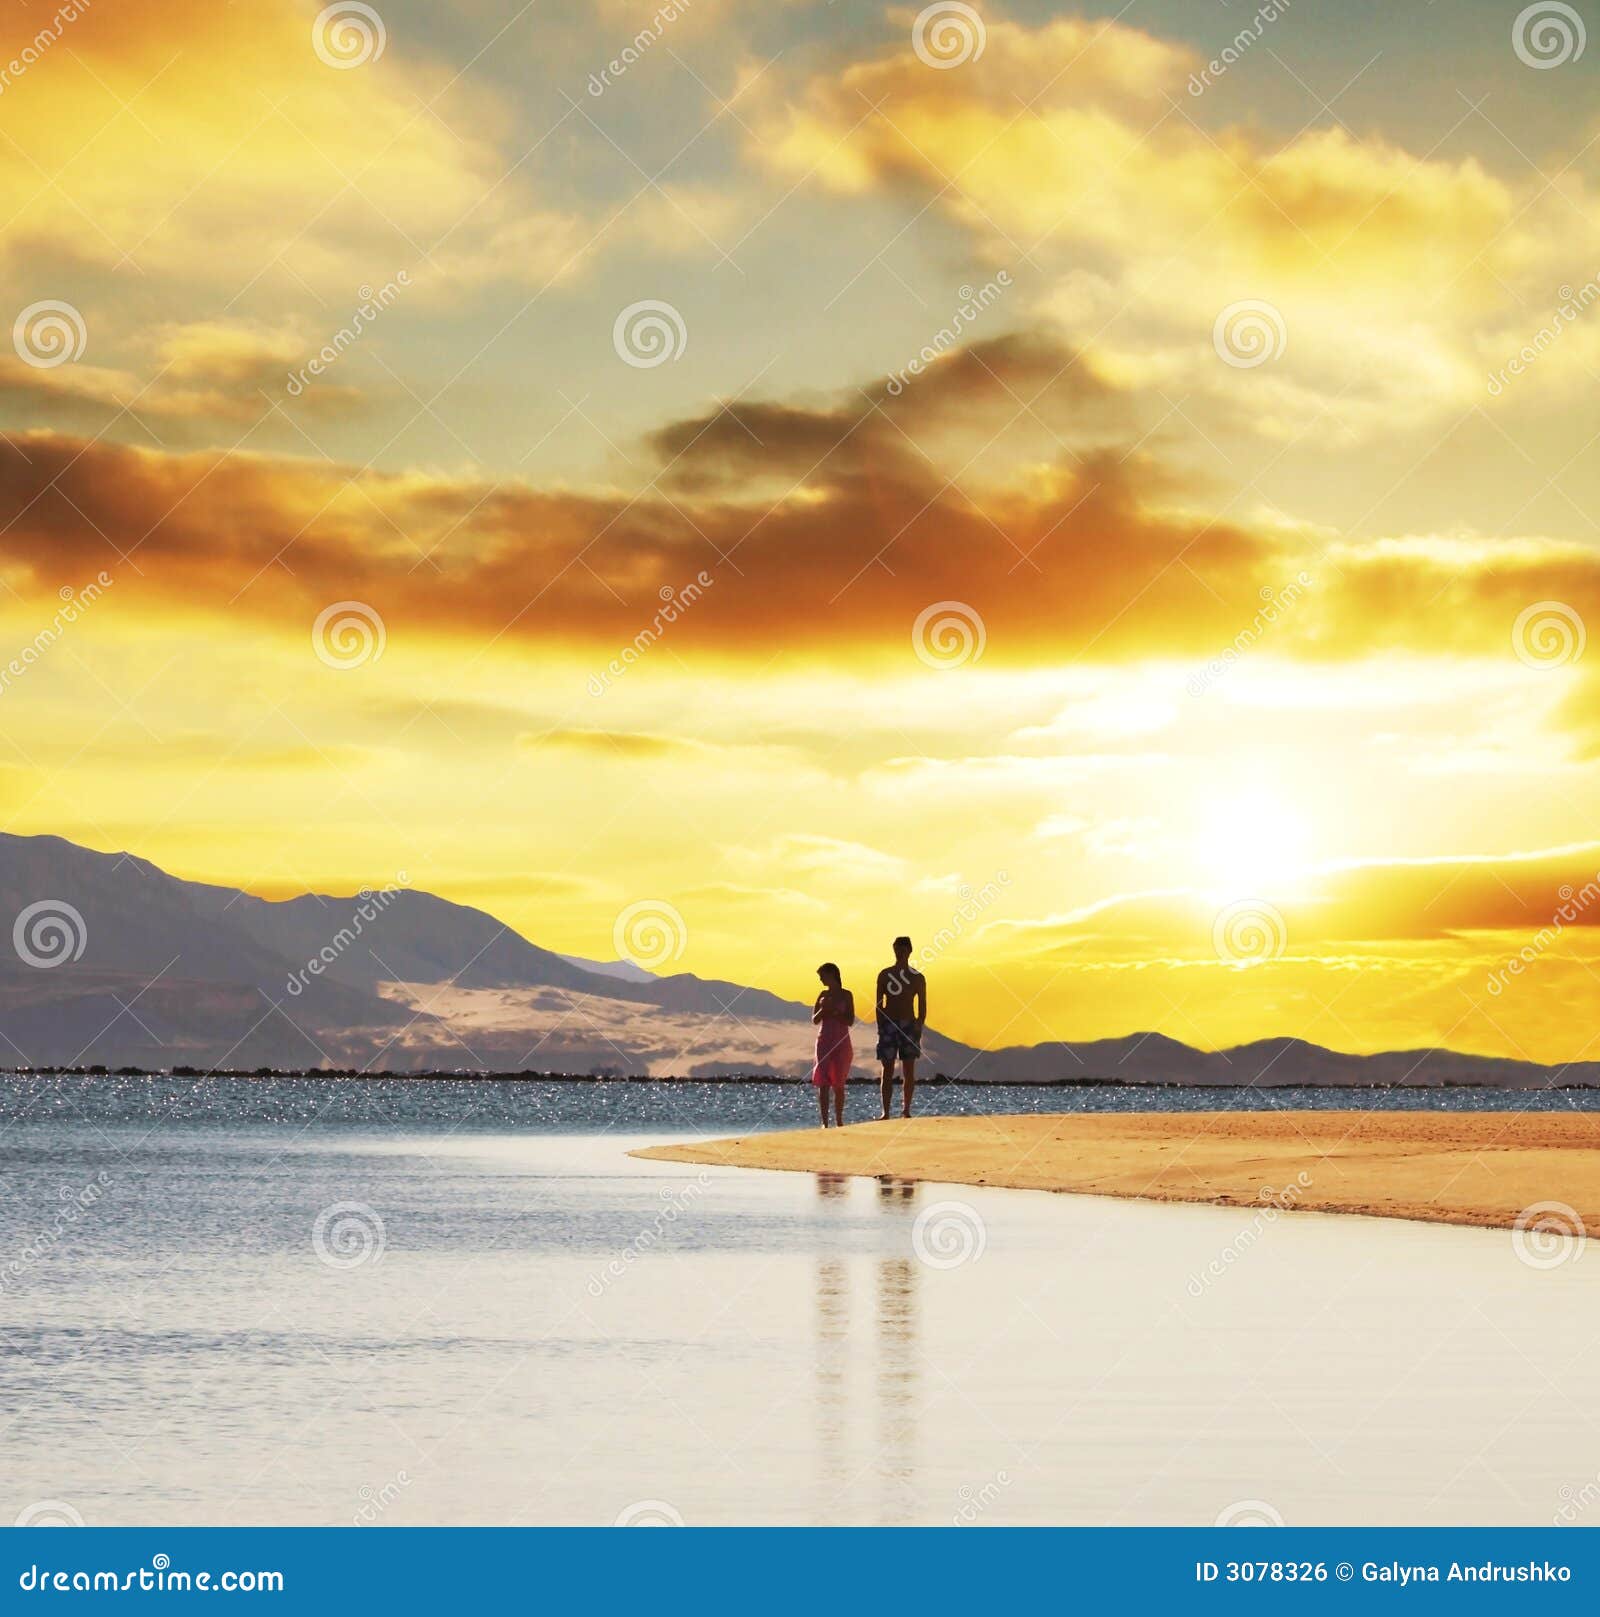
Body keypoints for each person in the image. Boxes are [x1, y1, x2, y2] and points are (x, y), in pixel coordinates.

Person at [875, 936, 926, 1120]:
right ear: (894, 950)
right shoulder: (885, 974)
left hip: (908, 1024)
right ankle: (886, 1111)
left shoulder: (917, 977)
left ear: (909, 951)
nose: (900, 952)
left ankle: (906, 1110)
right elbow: (879, 1003)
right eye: (897, 949)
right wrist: (881, 1024)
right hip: (889, 1023)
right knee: (887, 1068)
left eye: (904, 949)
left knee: (908, 1068)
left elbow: (922, 1004)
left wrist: (919, 1024)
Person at [810, 962, 855, 1127]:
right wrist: (824, 1009)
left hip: (841, 1041)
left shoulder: (846, 995)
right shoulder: (822, 994)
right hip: (824, 1041)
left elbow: (850, 1020)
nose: (821, 979)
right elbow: (815, 1019)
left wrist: (835, 1012)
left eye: (822, 976)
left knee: (839, 1082)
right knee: (823, 1082)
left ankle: (839, 1120)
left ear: (832, 974)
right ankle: (824, 1122)